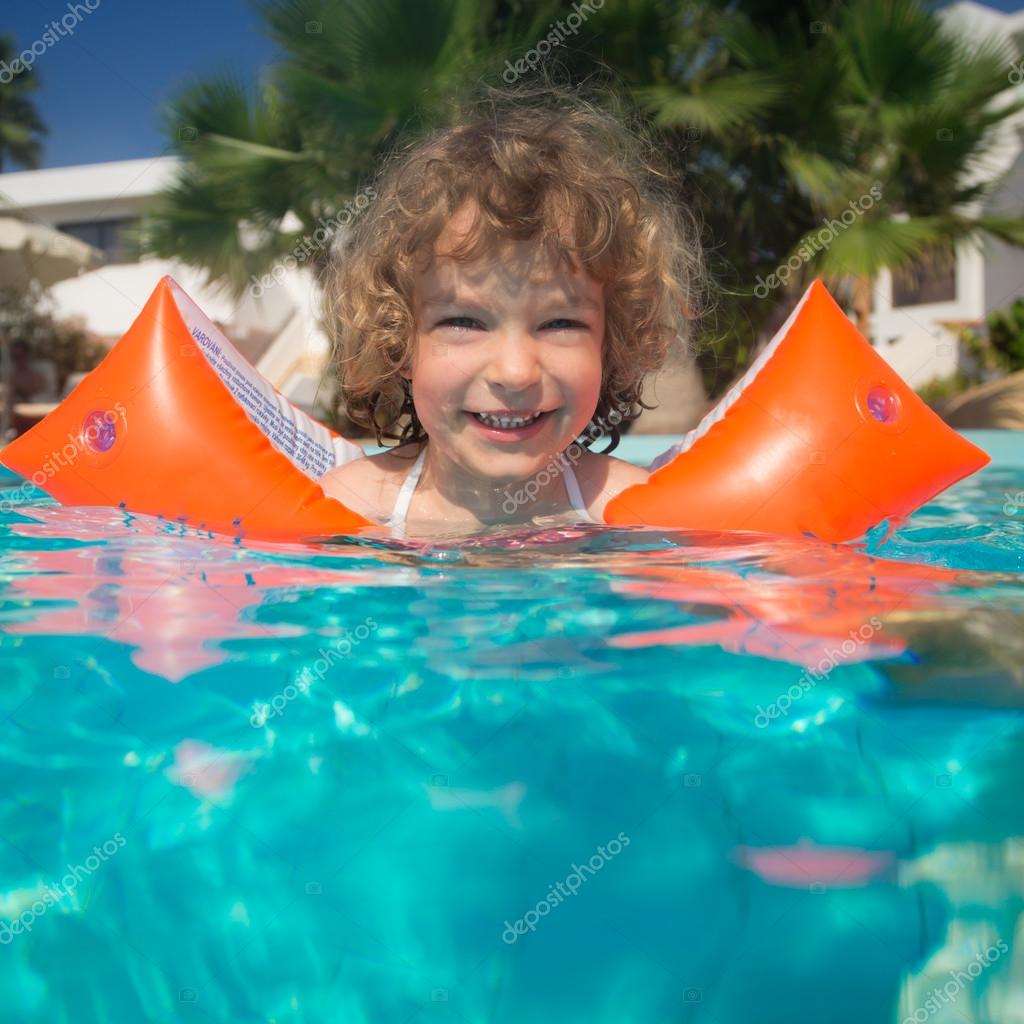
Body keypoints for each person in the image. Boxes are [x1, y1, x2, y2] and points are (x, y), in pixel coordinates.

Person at [319, 83, 703, 540]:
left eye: (560, 323)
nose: (516, 372)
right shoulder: (354, 507)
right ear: (400, 343)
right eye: (464, 322)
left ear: (610, 344)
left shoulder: (630, 511)